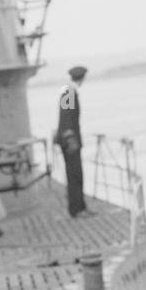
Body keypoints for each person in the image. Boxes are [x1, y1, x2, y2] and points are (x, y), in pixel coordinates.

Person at [55, 64, 88, 217]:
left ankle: (80, 207)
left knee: (76, 174)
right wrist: (70, 138)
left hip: (69, 139)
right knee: (75, 175)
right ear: (82, 78)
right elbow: (66, 116)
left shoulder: (68, 90)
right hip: (70, 141)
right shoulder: (69, 92)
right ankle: (76, 209)